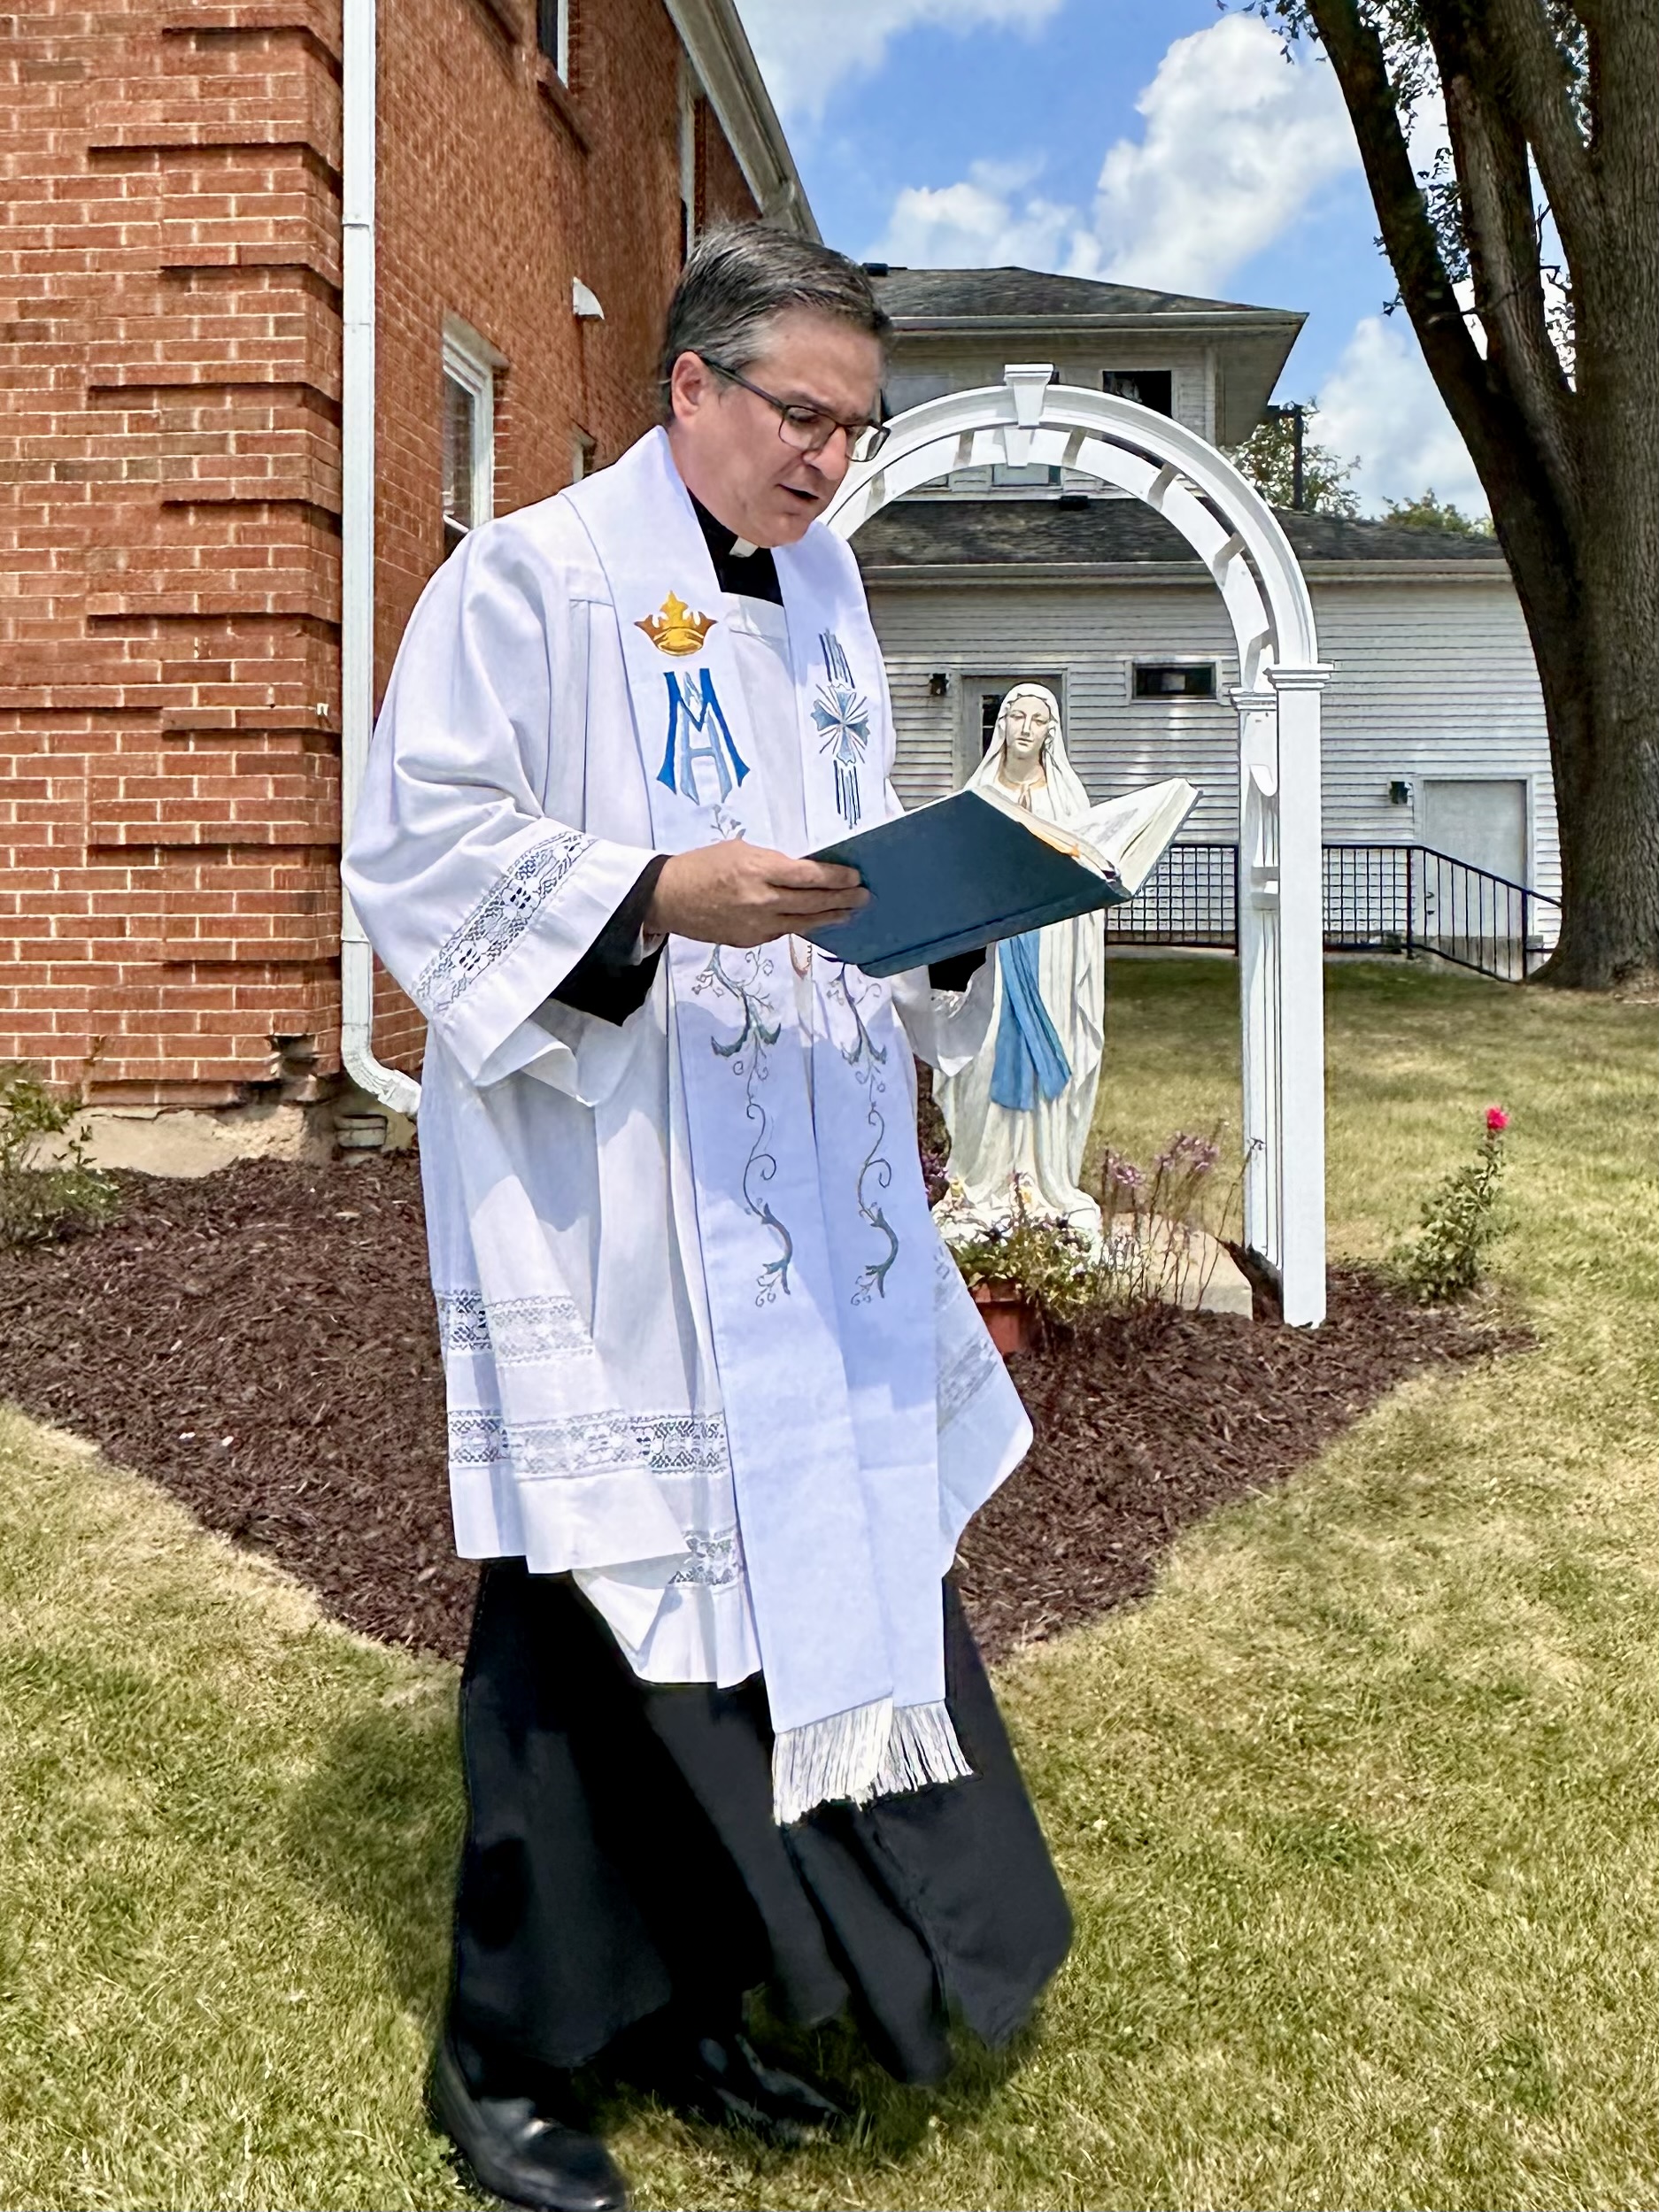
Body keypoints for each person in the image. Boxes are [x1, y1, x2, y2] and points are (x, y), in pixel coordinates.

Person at [343, 224, 1071, 2212]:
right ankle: (503, 2060)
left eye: (857, 424)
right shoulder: (531, 581)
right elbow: (416, 849)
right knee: (585, 1631)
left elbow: (840, 837)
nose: (832, 459)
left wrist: (944, 907)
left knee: (762, 1617)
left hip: (790, 1194)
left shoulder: (824, 594)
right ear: (690, 387)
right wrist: (658, 897)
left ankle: (695, 2006)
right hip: (617, 1200)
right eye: (803, 416)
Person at [934, 685, 1107, 1239]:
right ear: (1001, 725)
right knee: (984, 1058)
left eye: (1039, 719)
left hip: (1051, 950)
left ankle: (1040, 1177)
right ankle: (979, 1178)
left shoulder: (1067, 799)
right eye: (1017, 716)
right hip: (993, 952)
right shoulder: (979, 793)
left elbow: (1088, 873)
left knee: (1044, 1059)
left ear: (1052, 731)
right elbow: (957, 875)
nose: (1027, 728)